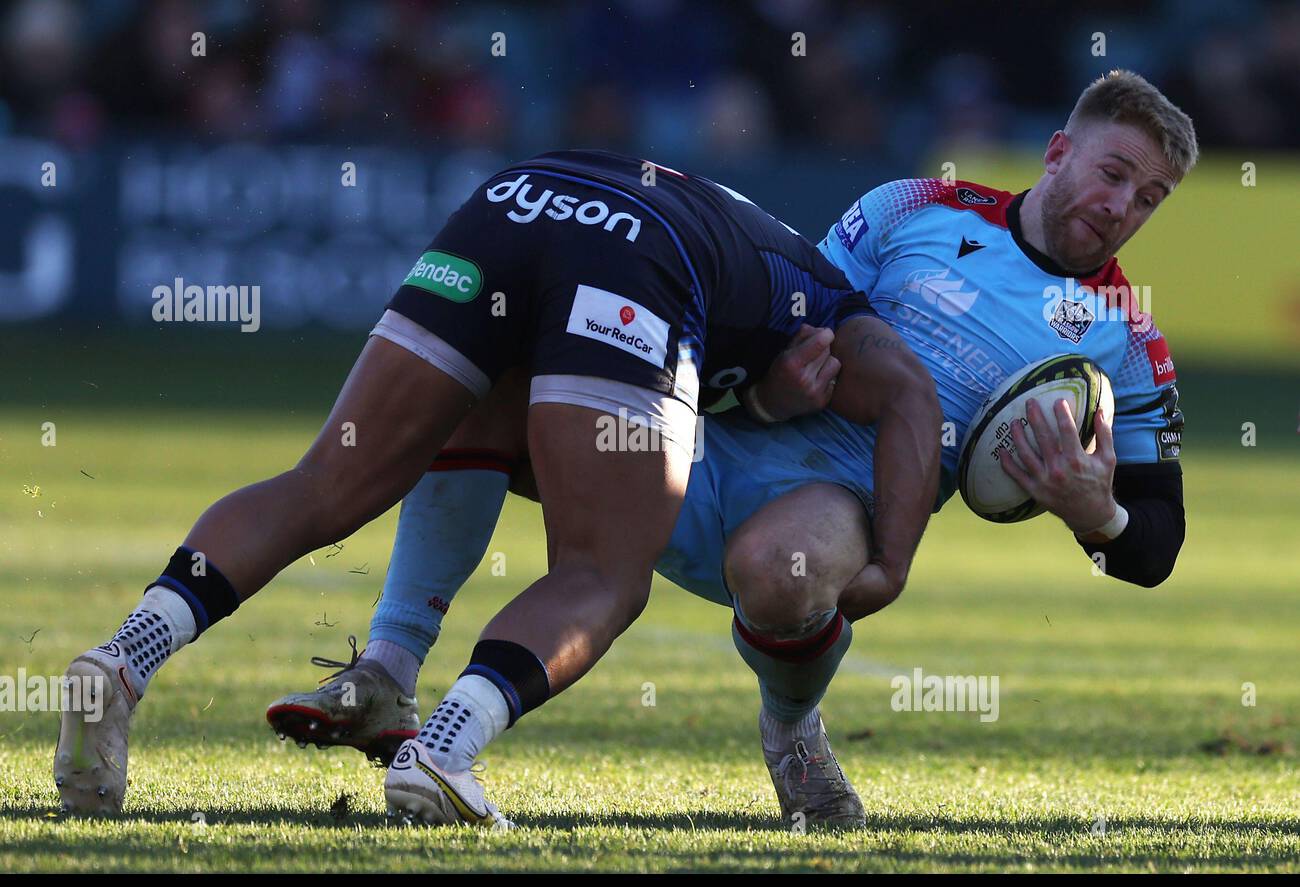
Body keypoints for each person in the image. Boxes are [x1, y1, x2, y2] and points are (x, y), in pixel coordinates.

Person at [269, 69, 1195, 829]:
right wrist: (761, 384)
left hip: (840, 499)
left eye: (1149, 198)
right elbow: (785, 303)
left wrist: (1097, 512)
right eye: (1114, 174)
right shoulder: (915, 206)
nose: (1123, 207)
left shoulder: (1128, 342)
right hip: (708, 435)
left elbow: (1157, 545)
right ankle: (391, 664)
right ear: (1059, 151)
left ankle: (791, 733)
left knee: (782, 573)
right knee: (474, 407)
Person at [55, 149, 943, 821]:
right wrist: (894, 563)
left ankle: (125, 657)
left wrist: (748, 391)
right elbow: (909, 394)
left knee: (331, 477)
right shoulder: (838, 311)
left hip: (512, 202)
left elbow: (691, 364)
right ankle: (442, 751)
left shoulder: (765, 257)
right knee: (602, 572)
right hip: (638, 259)